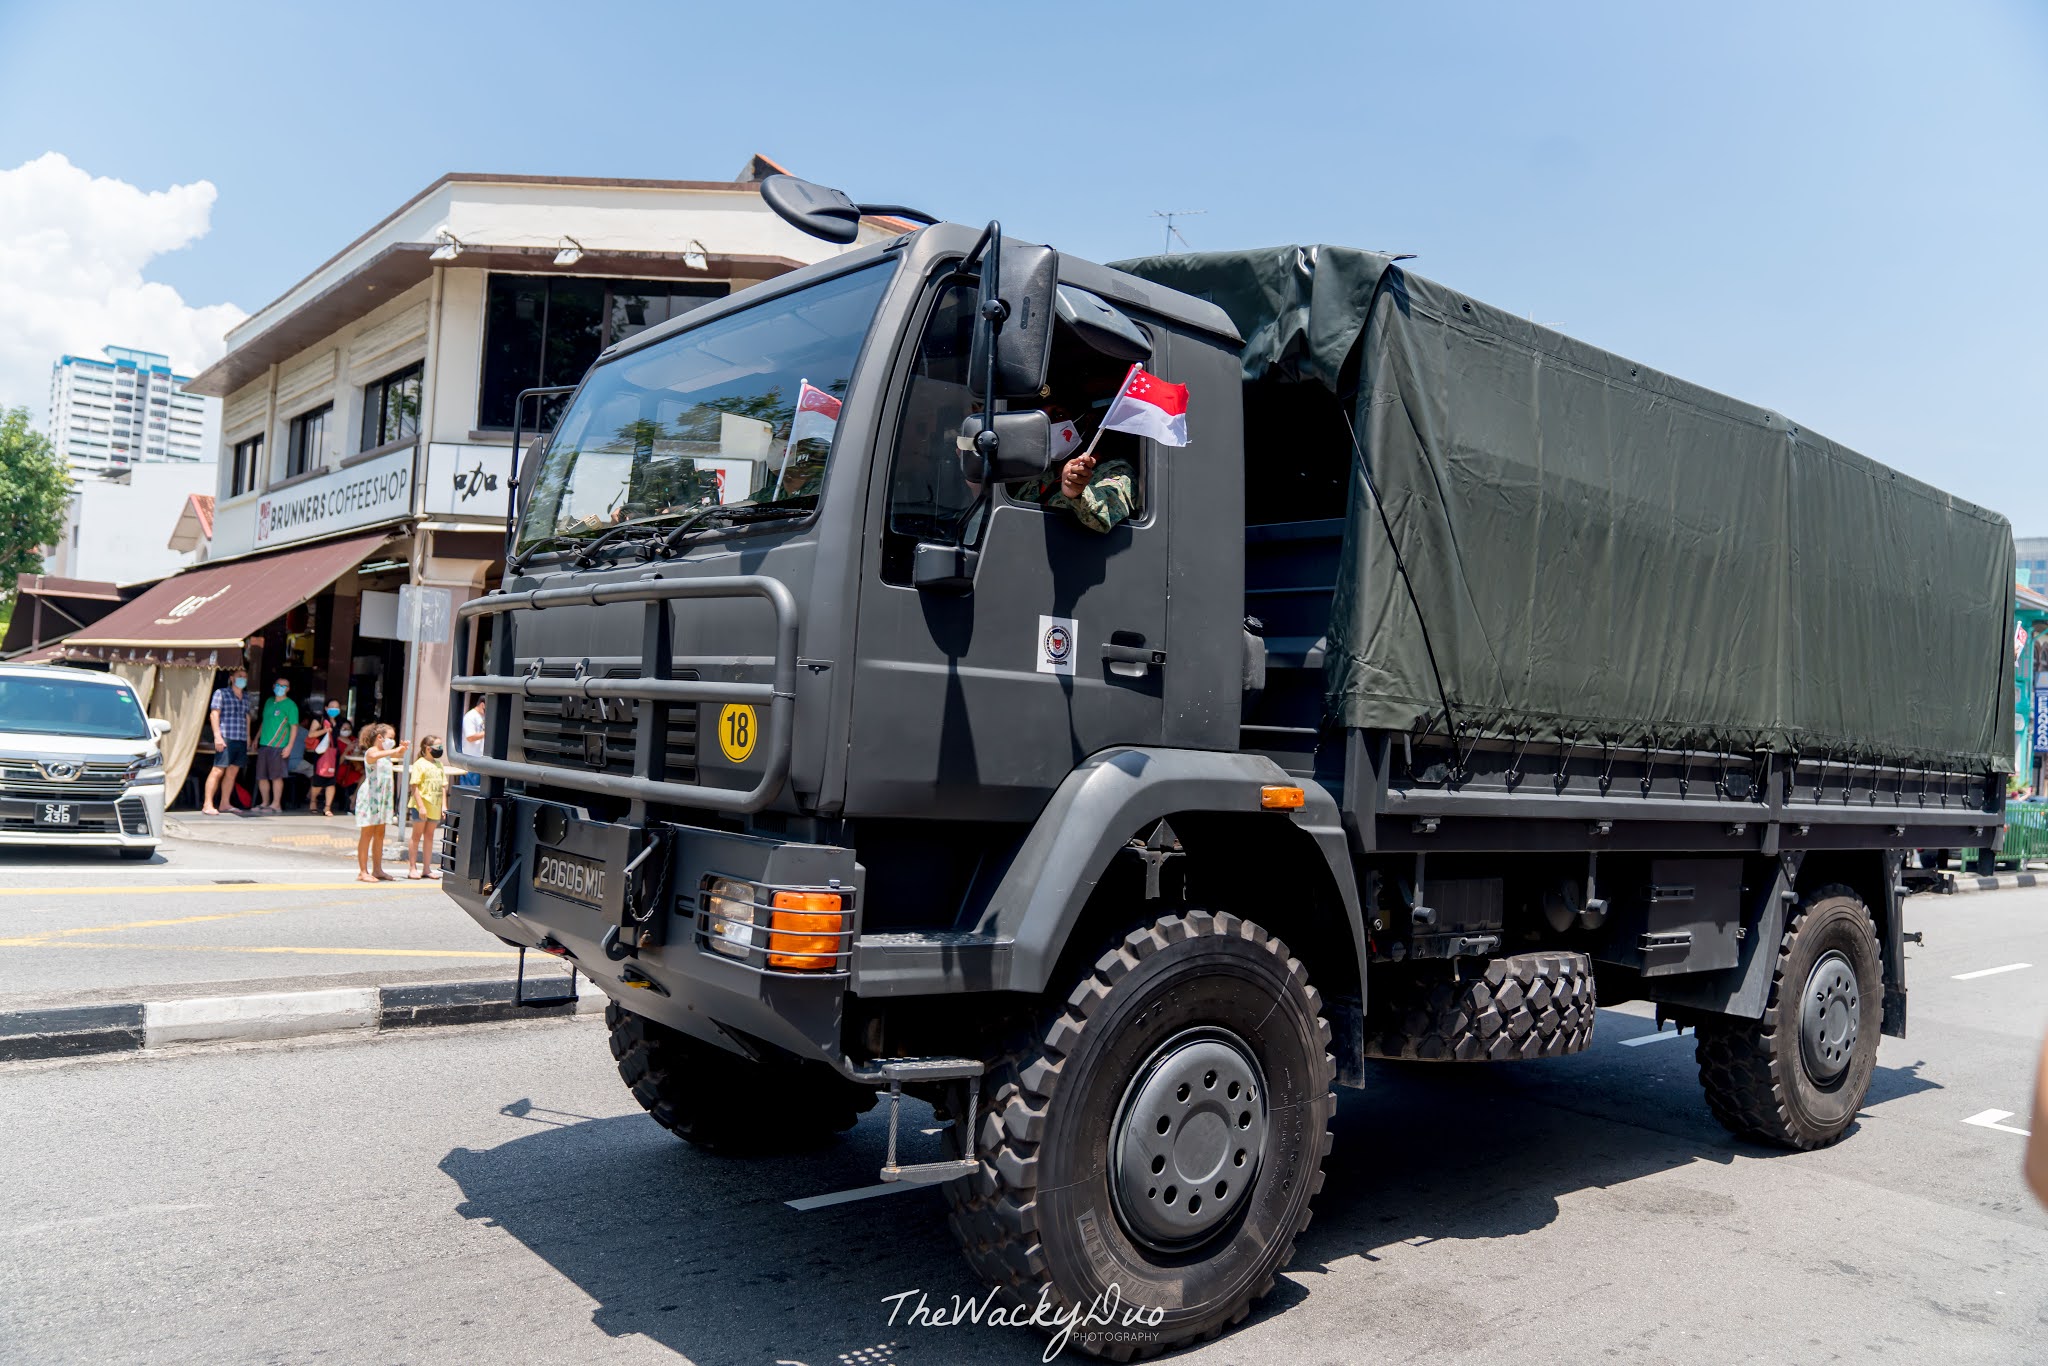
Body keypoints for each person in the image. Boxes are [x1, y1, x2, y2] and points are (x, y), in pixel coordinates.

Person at [354, 724, 407, 882]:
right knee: (367, 833)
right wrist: (395, 751)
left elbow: (397, 756)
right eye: (390, 737)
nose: (392, 741)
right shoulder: (372, 751)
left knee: (379, 834)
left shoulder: (385, 755)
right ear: (380, 737)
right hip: (371, 797)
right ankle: (363, 871)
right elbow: (374, 756)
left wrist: (401, 750)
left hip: (382, 798)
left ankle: (377, 870)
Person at [201, 670, 252, 815]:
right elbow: (214, 714)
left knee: (232, 772)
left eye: (245, 676)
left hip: (240, 738)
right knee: (218, 770)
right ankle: (207, 804)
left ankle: (225, 803)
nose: (242, 679)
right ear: (231, 678)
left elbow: (247, 717)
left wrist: (248, 736)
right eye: (239, 676)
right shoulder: (221, 693)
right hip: (226, 737)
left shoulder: (246, 696)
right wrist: (217, 736)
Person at [254, 678, 301, 812]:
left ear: (288, 689)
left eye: (284, 686)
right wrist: (256, 738)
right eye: (278, 685)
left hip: (279, 746)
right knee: (262, 776)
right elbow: (264, 722)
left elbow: (294, 727)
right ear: (274, 686)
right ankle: (264, 802)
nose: (281, 688)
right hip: (264, 744)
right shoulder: (269, 702)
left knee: (276, 776)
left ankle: (276, 804)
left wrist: (289, 746)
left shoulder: (291, 705)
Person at [406, 735, 447, 879]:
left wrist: (444, 806)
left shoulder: (439, 765)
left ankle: (427, 868)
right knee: (416, 836)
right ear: (428, 748)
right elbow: (414, 786)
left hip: (435, 807)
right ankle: (412, 868)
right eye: (438, 747)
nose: (441, 750)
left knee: (429, 836)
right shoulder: (419, 764)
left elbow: (443, 787)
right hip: (421, 806)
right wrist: (421, 806)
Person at [306, 703, 342, 816]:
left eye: (337, 707)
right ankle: (313, 800)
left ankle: (327, 807)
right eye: (332, 707)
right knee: (319, 781)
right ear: (326, 708)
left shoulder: (340, 722)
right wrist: (325, 730)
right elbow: (311, 734)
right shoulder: (319, 720)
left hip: (334, 754)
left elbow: (339, 737)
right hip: (321, 754)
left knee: (331, 782)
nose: (334, 709)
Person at [458, 695, 486, 789]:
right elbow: (470, 737)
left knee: (478, 789)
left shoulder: (483, 717)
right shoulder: (470, 716)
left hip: (480, 759)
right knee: (469, 790)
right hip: (470, 759)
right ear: (482, 704)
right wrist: (487, 733)